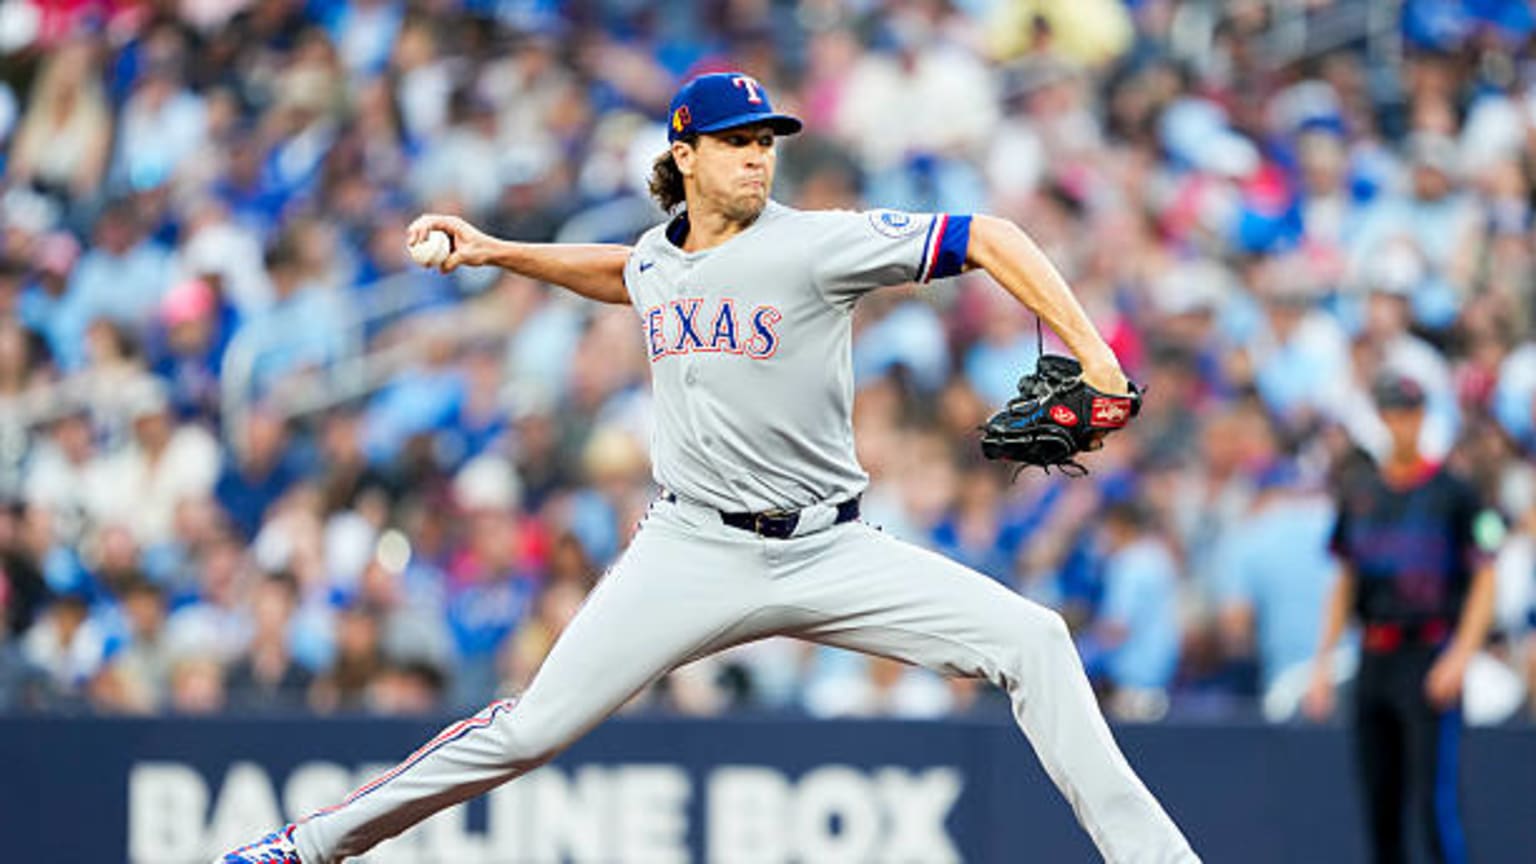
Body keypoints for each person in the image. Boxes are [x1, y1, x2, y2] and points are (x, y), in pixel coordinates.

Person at [218, 72, 1198, 864]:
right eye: (736, 142)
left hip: (831, 548)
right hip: (689, 547)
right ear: (684, 155)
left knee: (1034, 641)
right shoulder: (658, 256)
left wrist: (1097, 356)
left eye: (766, 141)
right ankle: (308, 848)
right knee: (529, 730)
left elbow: (989, 236)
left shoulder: (814, 245)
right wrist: (497, 252)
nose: (758, 156)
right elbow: (626, 272)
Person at [1303, 372, 1497, 864]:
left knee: (1434, 805)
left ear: (1422, 417)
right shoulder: (1362, 492)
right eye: (1392, 413)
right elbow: (1345, 580)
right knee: (1379, 804)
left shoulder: (1454, 492)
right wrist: (1323, 663)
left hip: (1428, 652)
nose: (1401, 424)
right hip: (1374, 654)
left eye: (1409, 413)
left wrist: (1460, 656)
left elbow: (1485, 576)